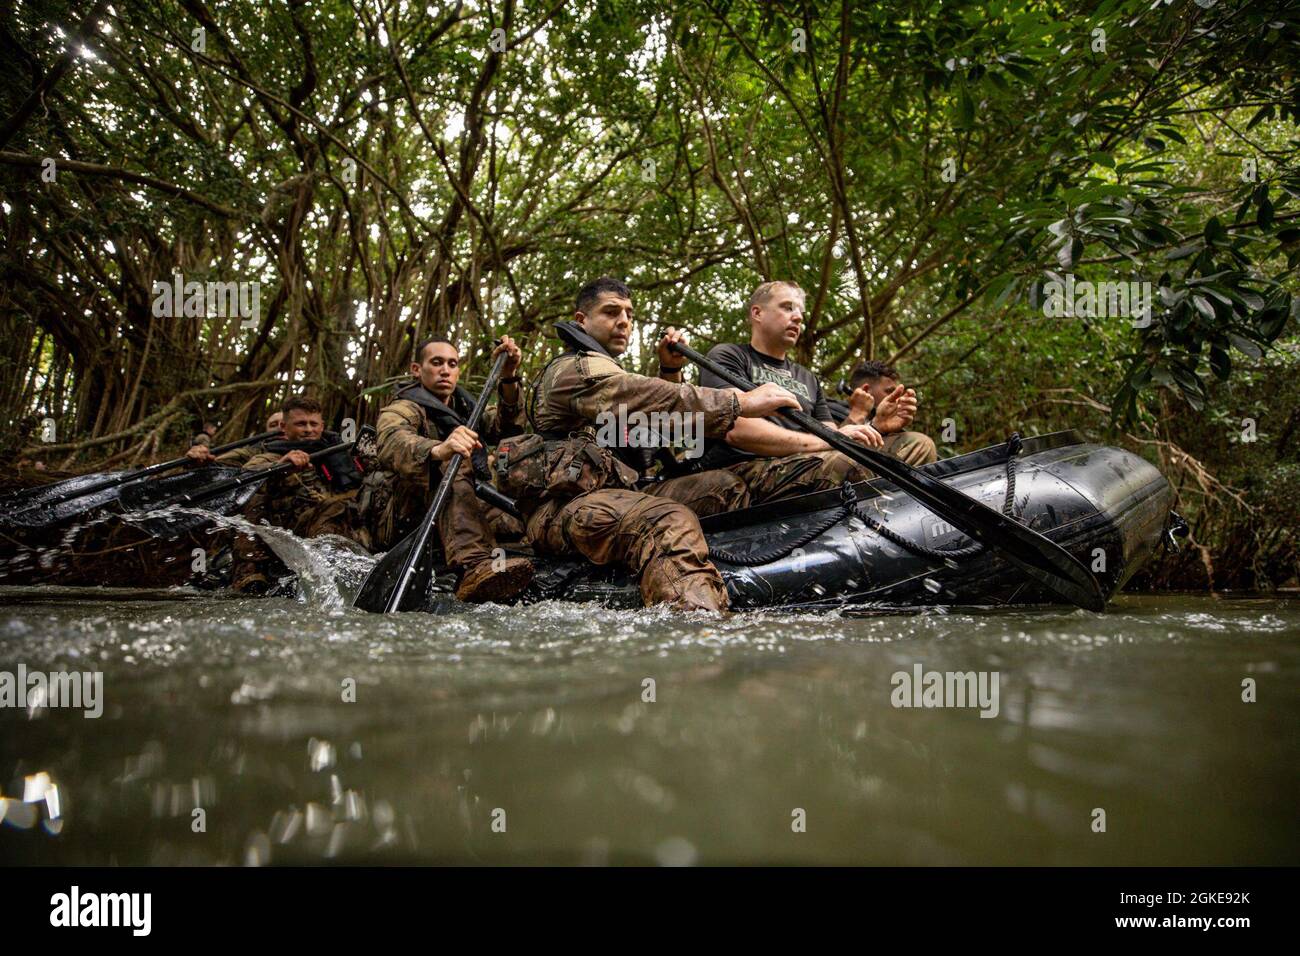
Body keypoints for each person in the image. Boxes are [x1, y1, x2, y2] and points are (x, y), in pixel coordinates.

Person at [501, 276, 800, 612]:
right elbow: (638, 395)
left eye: (629, 314)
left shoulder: (611, 374)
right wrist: (737, 402)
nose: (624, 321)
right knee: (666, 518)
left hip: (623, 495)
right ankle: (695, 627)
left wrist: (670, 371)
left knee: (725, 487)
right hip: (562, 510)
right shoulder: (573, 371)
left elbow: (667, 434)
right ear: (581, 321)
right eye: (611, 312)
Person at [368, 336, 534, 604]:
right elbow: (391, 441)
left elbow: (509, 425)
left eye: (452, 364)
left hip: (463, 502)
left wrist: (508, 376)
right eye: (436, 363)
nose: (445, 370)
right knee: (453, 459)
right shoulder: (404, 406)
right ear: (416, 369)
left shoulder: (466, 408)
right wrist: (438, 449)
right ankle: (474, 566)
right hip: (409, 512)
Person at [695, 280, 884, 504]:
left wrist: (874, 424)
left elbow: (832, 434)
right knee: (851, 465)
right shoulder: (728, 356)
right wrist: (830, 442)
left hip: (808, 462)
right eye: (787, 307)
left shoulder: (808, 378)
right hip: (745, 467)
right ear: (757, 313)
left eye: (800, 312)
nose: (798, 317)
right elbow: (738, 430)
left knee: (909, 447)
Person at [230, 396, 369, 595]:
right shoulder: (269, 455)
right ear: (284, 427)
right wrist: (280, 468)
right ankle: (250, 575)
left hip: (337, 532)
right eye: (301, 424)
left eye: (314, 424)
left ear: (322, 426)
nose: (308, 429)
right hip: (286, 535)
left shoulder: (338, 456)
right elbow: (248, 477)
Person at [839, 360, 937, 466]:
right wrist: (858, 414)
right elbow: (831, 454)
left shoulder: (886, 424)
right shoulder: (833, 411)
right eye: (889, 391)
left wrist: (882, 429)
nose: (897, 398)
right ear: (866, 391)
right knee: (922, 444)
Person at [185, 410, 285, 467]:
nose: (280, 427)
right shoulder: (249, 453)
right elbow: (218, 466)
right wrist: (200, 460)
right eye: (273, 424)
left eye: (285, 424)